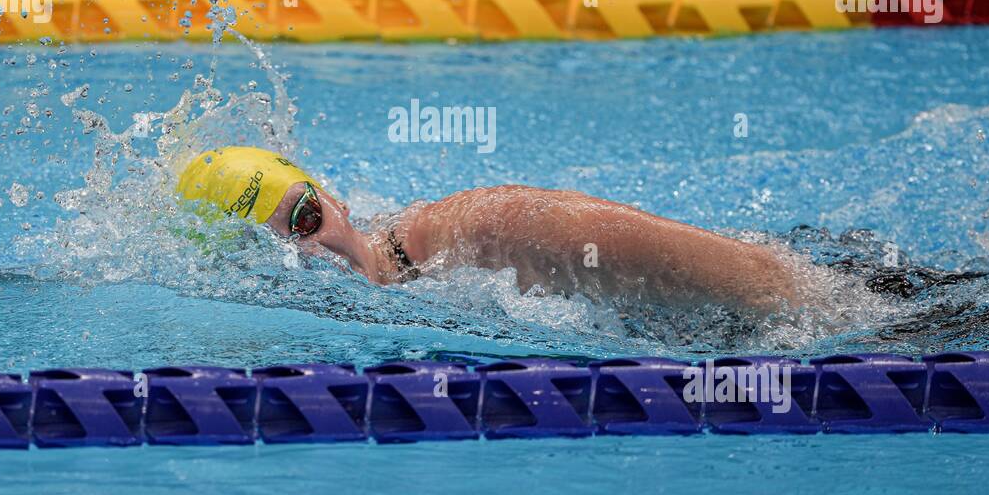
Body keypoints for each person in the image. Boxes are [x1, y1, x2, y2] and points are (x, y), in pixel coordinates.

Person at [176, 146, 803, 315]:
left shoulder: (492, 229)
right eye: (274, 245)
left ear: (333, 199)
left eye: (308, 218)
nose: (311, 252)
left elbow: (768, 282)